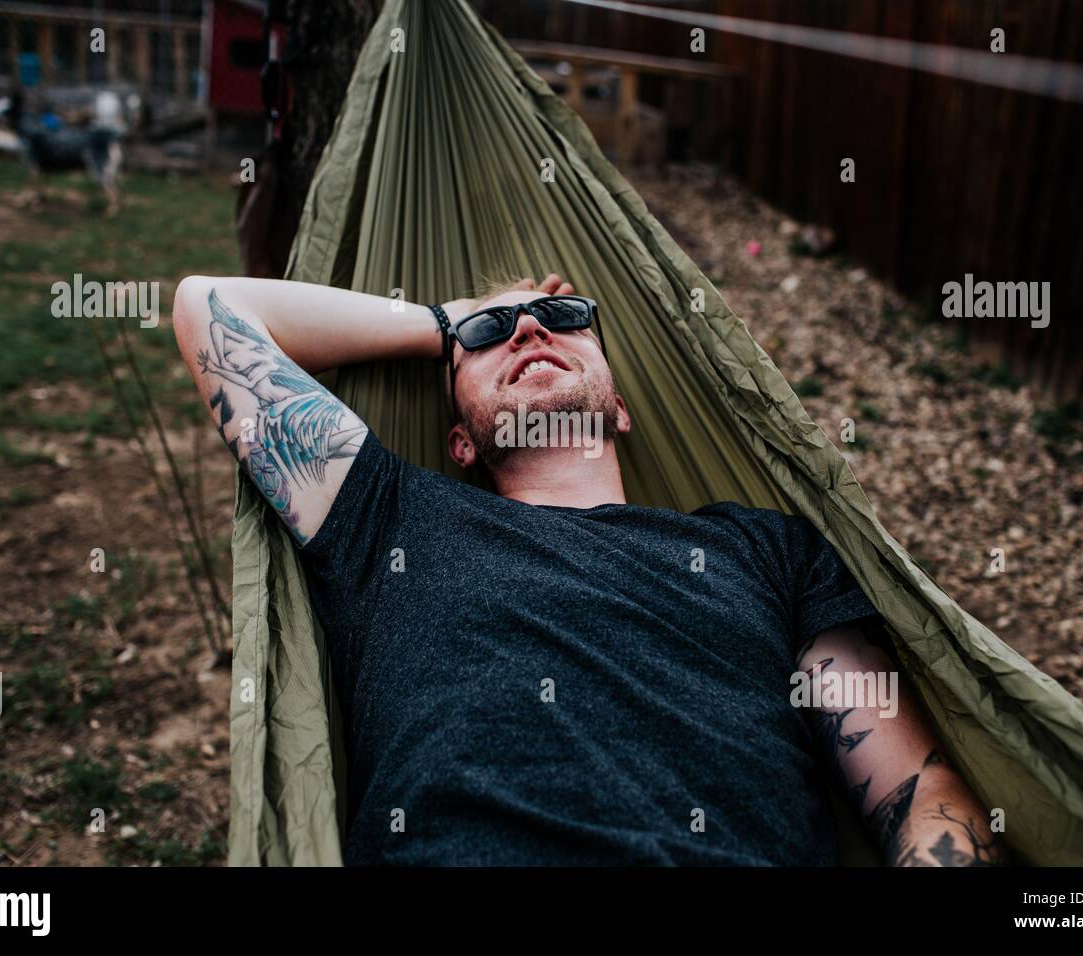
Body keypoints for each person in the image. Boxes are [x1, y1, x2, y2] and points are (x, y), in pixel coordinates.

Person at [173, 272, 1006, 866]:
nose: (530, 329)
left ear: (619, 407)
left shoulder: (764, 550)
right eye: (493, 334)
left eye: (561, 315)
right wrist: (445, 318)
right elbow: (210, 307)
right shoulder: (389, 519)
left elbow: (918, 794)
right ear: (460, 442)